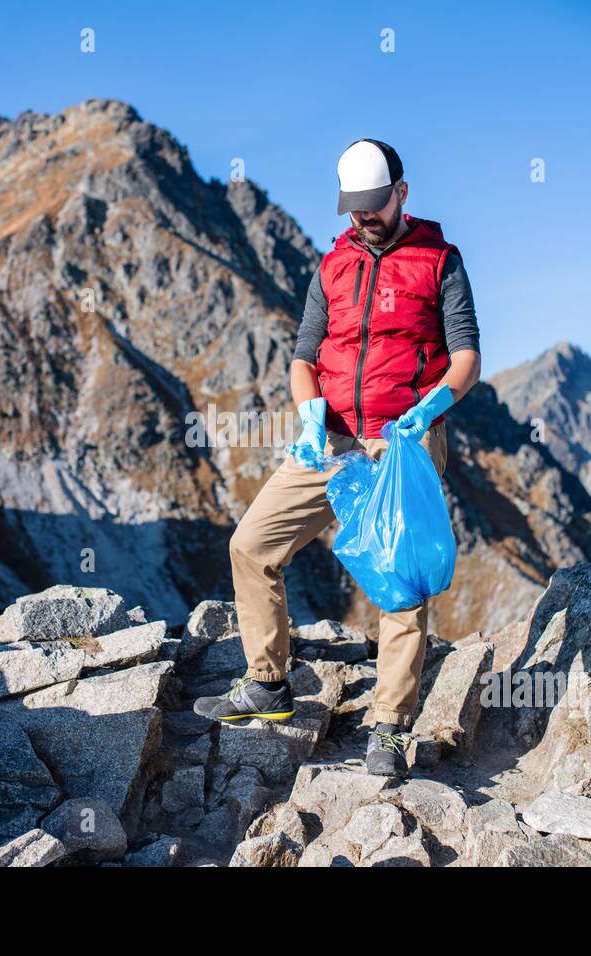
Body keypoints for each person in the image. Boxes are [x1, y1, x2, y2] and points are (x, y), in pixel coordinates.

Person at [193, 139, 482, 777]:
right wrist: (308, 416)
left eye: (374, 205)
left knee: (398, 579)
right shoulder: (332, 266)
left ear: (401, 193)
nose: (363, 217)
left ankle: (390, 725)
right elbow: (305, 356)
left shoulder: (440, 261)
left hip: (401, 441)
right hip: (329, 440)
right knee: (252, 545)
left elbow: (466, 357)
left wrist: (430, 409)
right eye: (353, 207)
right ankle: (267, 684)